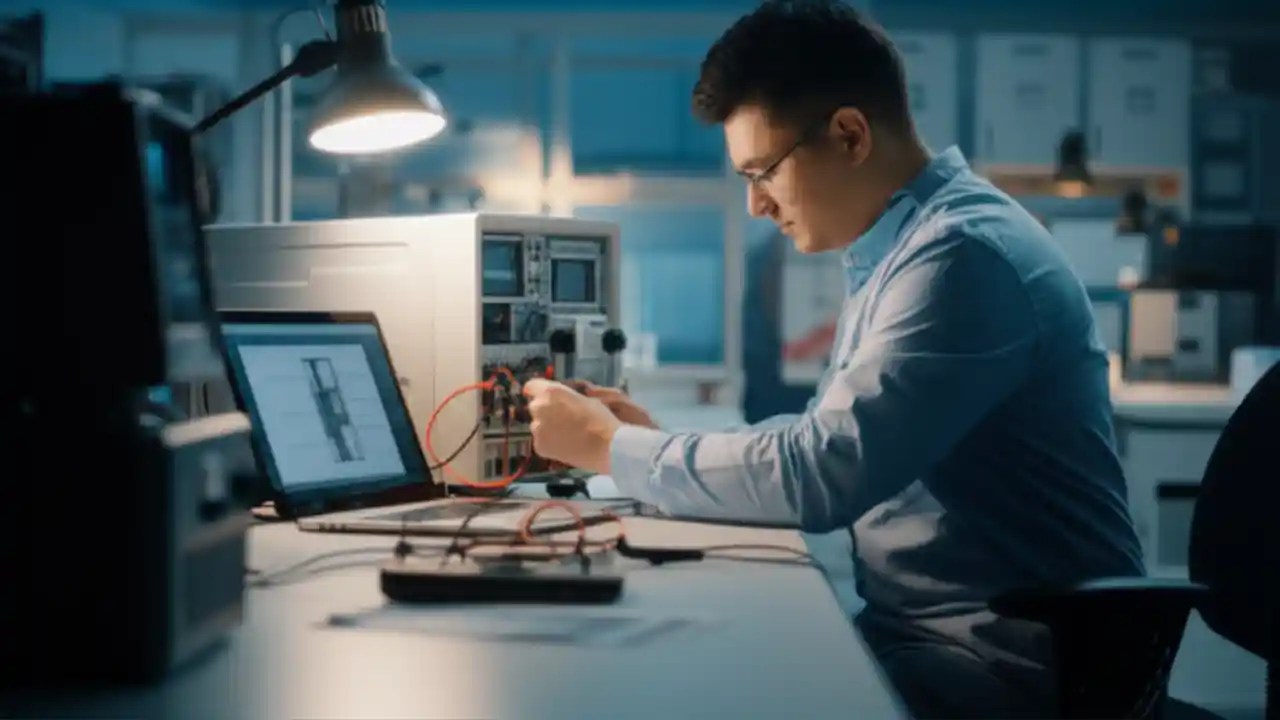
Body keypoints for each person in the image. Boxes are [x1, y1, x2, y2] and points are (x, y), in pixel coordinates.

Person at [521, 1, 1145, 716]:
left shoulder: (961, 258)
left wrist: (613, 449)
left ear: (850, 135)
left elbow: (825, 470)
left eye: (762, 172)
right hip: (933, 640)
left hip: (1014, 667)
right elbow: (822, 437)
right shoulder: (900, 249)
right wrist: (649, 443)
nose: (755, 205)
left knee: (681, 686)